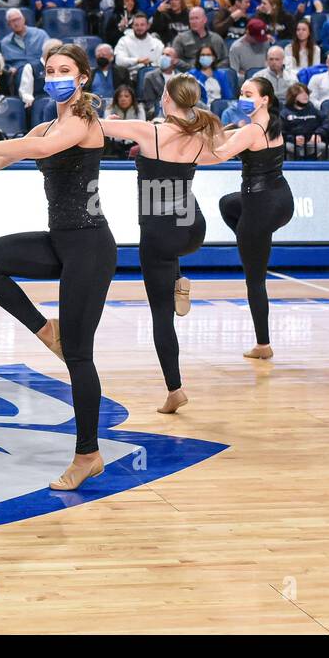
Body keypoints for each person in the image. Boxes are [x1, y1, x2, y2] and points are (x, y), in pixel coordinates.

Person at [0, 44, 118, 491]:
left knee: (80, 357)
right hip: (60, 241)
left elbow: (36, 147)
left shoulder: (83, 120)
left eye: (65, 70)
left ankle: (88, 453)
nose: (56, 76)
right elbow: (4, 158)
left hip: (90, 246)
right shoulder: (49, 121)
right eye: (50, 70)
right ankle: (47, 329)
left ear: (83, 77)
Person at [97, 74, 223, 413]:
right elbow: (220, 154)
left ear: (166, 99)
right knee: (172, 249)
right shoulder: (200, 136)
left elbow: (102, 126)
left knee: (161, 316)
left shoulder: (150, 131)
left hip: (159, 231)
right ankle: (177, 280)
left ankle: (174, 389)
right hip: (193, 226)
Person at [213, 76, 294, 360]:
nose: (242, 97)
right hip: (282, 200)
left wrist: (181, 151)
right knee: (227, 205)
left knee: (255, 281)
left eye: (249, 93)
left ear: (264, 99)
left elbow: (217, 155)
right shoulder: (272, 122)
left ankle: (263, 345)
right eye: (241, 92)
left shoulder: (252, 130)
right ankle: (251, 242)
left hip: (261, 203)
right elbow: (233, 135)